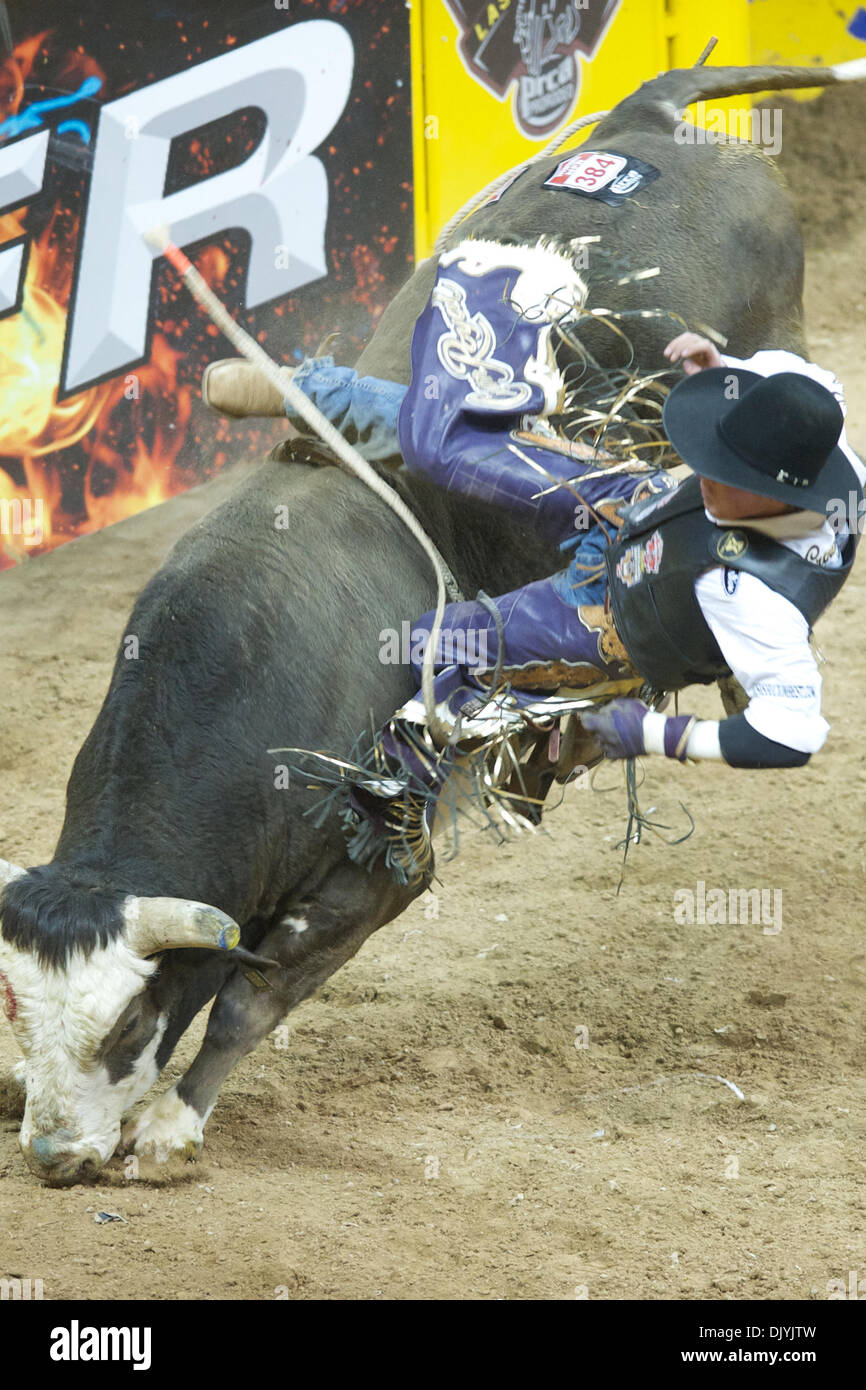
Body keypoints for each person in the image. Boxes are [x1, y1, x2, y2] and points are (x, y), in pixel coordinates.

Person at [206, 239, 865, 886]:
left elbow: (791, 737)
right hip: (631, 500)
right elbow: (792, 384)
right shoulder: (815, 423)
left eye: (723, 468)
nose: (703, 465)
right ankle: (308, 392)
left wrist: (661, 734)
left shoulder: (758, 606)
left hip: (616, 617)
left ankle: (404, 779)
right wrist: (727, 374)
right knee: (450, 450)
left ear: (779, 493)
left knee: (443, 641)